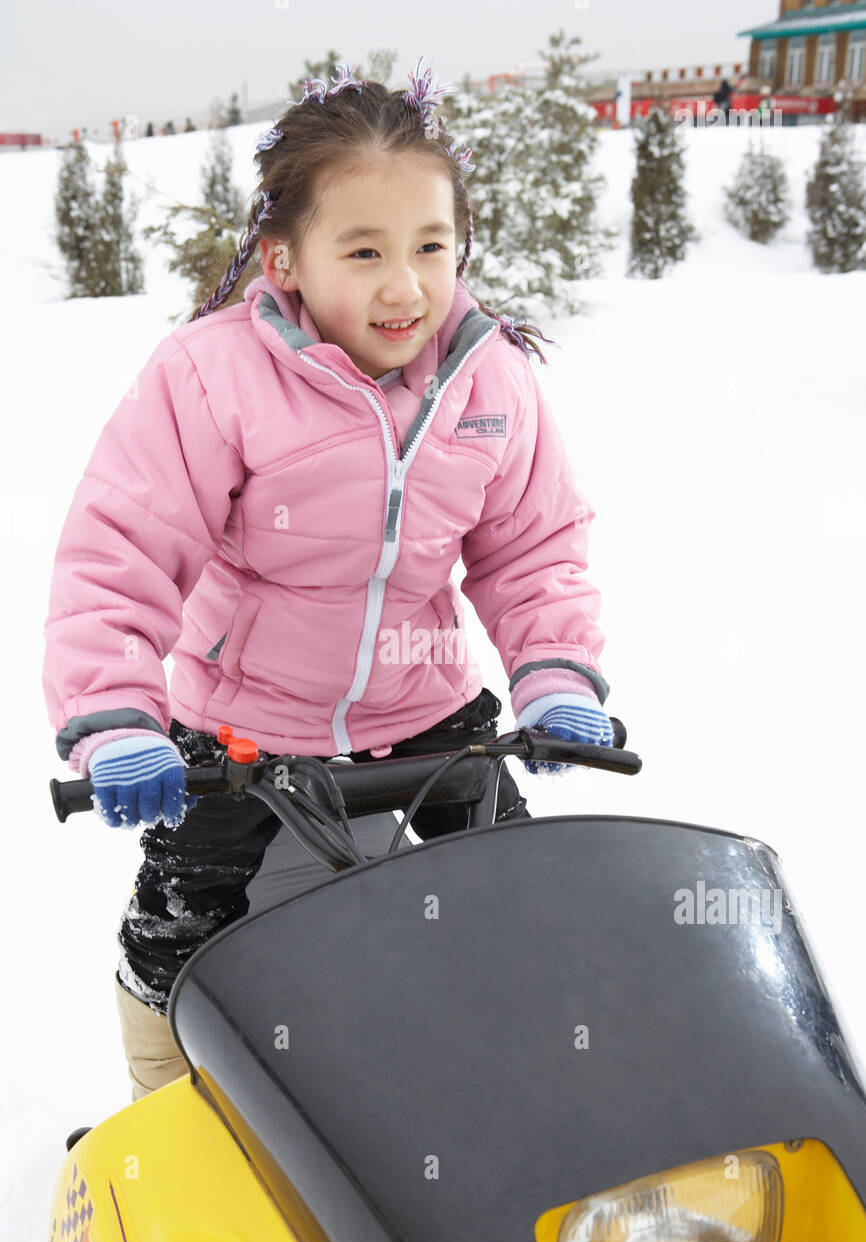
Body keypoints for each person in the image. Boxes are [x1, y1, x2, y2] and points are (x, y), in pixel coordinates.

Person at [42, 58, 614, 1103]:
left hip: (426, 705)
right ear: (286, 260)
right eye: (364, 251)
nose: (406, 285)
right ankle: (166, 1124)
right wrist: (118, 716)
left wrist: (554, 674)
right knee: (183, 919)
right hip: (240, 722)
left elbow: (532, 544)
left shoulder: (487, 378)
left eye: (430, 247)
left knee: (519, 895)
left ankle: (532, 1099)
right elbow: (119, 552)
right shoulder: (212, 375)